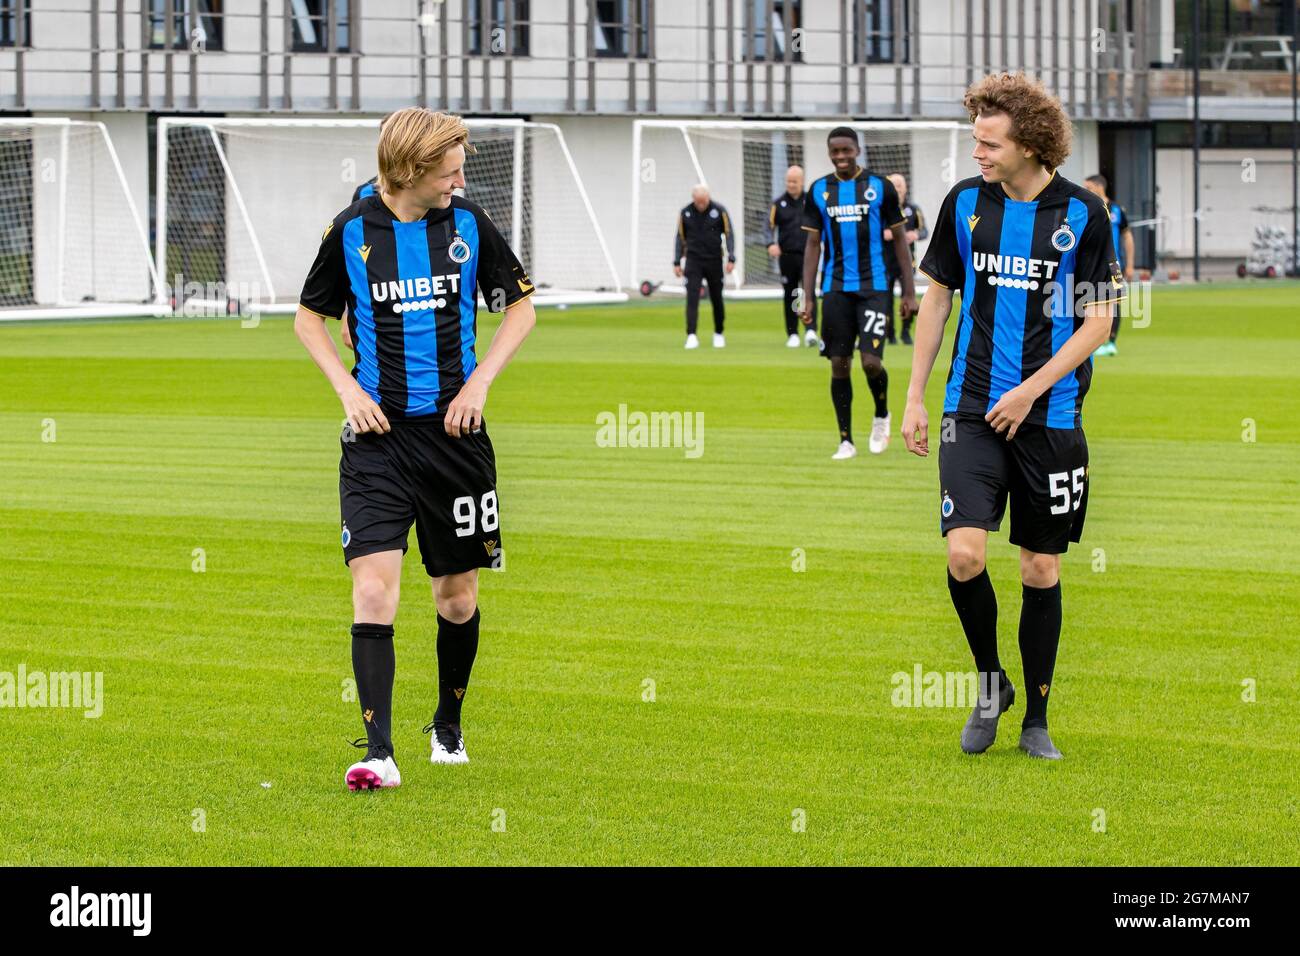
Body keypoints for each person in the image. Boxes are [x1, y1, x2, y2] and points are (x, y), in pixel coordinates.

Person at [294, 108, 537, 790]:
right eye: (450, 168)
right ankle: (378, 752)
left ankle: (448, 725)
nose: (461, 178)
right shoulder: (350, 232)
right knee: (373, 588)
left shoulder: (467, 226)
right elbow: (307, 317)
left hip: (456, 440)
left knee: (455, 598)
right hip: (376, 442)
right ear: (409, 170)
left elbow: (520, 305)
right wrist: (347, 391)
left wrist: (480, 384)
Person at [901, 73, 1124, 761]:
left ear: (1030, 144)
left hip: (1050, 415)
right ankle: (990, 683)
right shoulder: (965, 203)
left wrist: (1031, 389)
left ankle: (1037, 720)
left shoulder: (1084, 215)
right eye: (975, 141)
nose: (979, 154)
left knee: (1039, 571)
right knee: (965, 555)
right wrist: (914, 394)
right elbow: (936, 300)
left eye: (990, 143)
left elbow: (1098, 320)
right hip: (967, 410)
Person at [798, 127, 917, 459]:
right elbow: (812, 246)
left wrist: (908, 293)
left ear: (857, 150)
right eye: (834, 151)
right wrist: (806, 296)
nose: (840, 156)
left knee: (870, 363)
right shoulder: (819, 190)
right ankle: (846, 440)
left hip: (875, 288)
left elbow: (902, 246)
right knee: (839, 363)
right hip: (834, 289)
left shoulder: (880, 188)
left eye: (846, 150)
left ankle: (881, 415)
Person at [674, 184, 735, 349]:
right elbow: (679, 237)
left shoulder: (719, 211)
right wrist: (677, 261)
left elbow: (729, 234)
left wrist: (731, 257)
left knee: (717, 298)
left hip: (714, 260)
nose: (701, 205)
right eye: (698, 202)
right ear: (694, 199)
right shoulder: (685, 212)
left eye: (704, 201)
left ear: (708, 198)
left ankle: (719, 333)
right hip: (693, 261)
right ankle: (691, 335)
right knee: (692, 298)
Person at [765, 165, 818, 347]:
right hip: (787, 256)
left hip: (809, 255)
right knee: (792, 293)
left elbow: (821, 223)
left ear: (802, 181)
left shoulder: (810, 202)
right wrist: (770, 243)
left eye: (794, 181)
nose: (791, 184)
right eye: (788, 181)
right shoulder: (778, 204)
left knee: (808, 292)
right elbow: (768, 227)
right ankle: (793, 333)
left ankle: (810, 330)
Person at [1084, 174, 1135, 357]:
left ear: (1099, 186)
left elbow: (1127, 236)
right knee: (1086, 301)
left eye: (1089, 187)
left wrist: (1130, 264)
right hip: (1089, 263)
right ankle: (1090, 340)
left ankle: (1111, 341)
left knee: (1113, 302)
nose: (1086, 190)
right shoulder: (1086, 207)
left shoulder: (1116, 209)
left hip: (1113, 264)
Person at [882, 172, 928, 345]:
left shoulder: (913, 209)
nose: (897, 188)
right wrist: (883, 234)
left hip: (907, 262)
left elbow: (924, 231)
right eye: (893, 185)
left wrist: (915, 234)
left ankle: (906, 332)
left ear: (905, 187)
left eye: (900, 185)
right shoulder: (881, 209)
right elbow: (870, 230)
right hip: (885, 262)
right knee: (885, 299)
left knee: (908, 296)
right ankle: (890, 334)